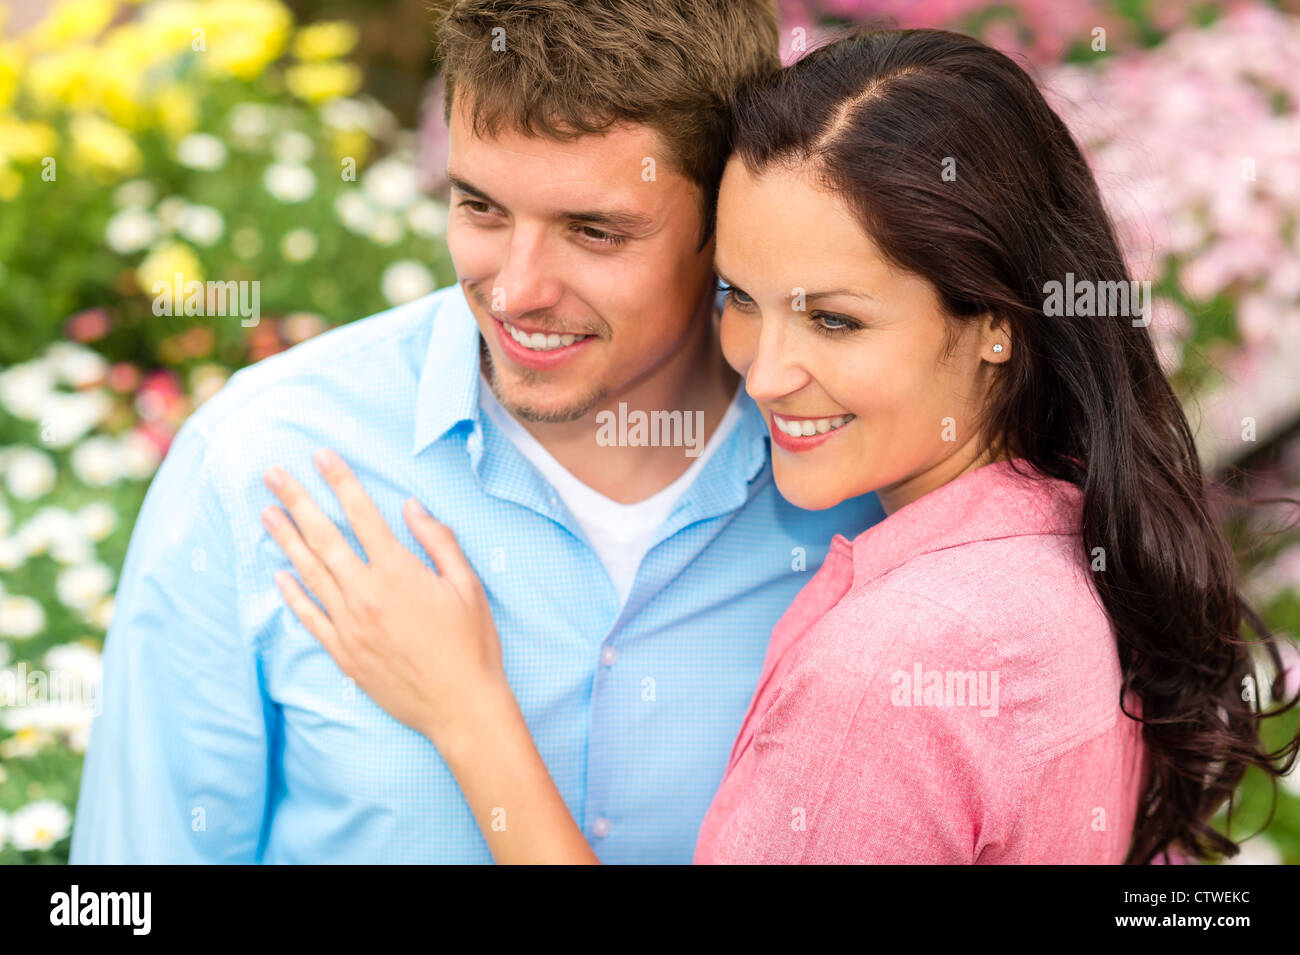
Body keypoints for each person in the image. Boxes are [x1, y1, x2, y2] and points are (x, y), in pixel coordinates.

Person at [260, 28, 1300, 864]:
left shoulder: (892, 667)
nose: (761, 371)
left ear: (998, 322)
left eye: (835, 320)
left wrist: (468, 715)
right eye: (738, 299)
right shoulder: (1070, 542)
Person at [69, 0, 884, 864]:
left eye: (595, 231)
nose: (516, 291)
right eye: (482, 208)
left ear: (725, 221)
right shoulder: (256, 464)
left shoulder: (862, 483)